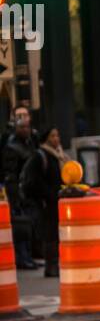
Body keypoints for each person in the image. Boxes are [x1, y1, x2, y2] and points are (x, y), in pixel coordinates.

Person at [21, 126, 66, 278]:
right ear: (46, 139)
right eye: (52, 136)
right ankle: (51, 266)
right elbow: (34, 181)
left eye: (57, 136)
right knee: (50, 235)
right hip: (46, 202)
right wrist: (49, 195)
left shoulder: (59, 155)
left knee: (56, 234)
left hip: (56, 201)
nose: (56, 139)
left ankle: (56, 264)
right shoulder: (40, 156)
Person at [1, 105, 39, 269]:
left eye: (27, 126)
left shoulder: (31, 141)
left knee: (30, 224)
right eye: (22, 126)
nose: (26, 129)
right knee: (21, 225)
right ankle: (22, 257)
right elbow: (10, 174)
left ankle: (29, 255)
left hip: (29, 190)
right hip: (18, 192)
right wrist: (15, 195)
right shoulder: (11, 145)